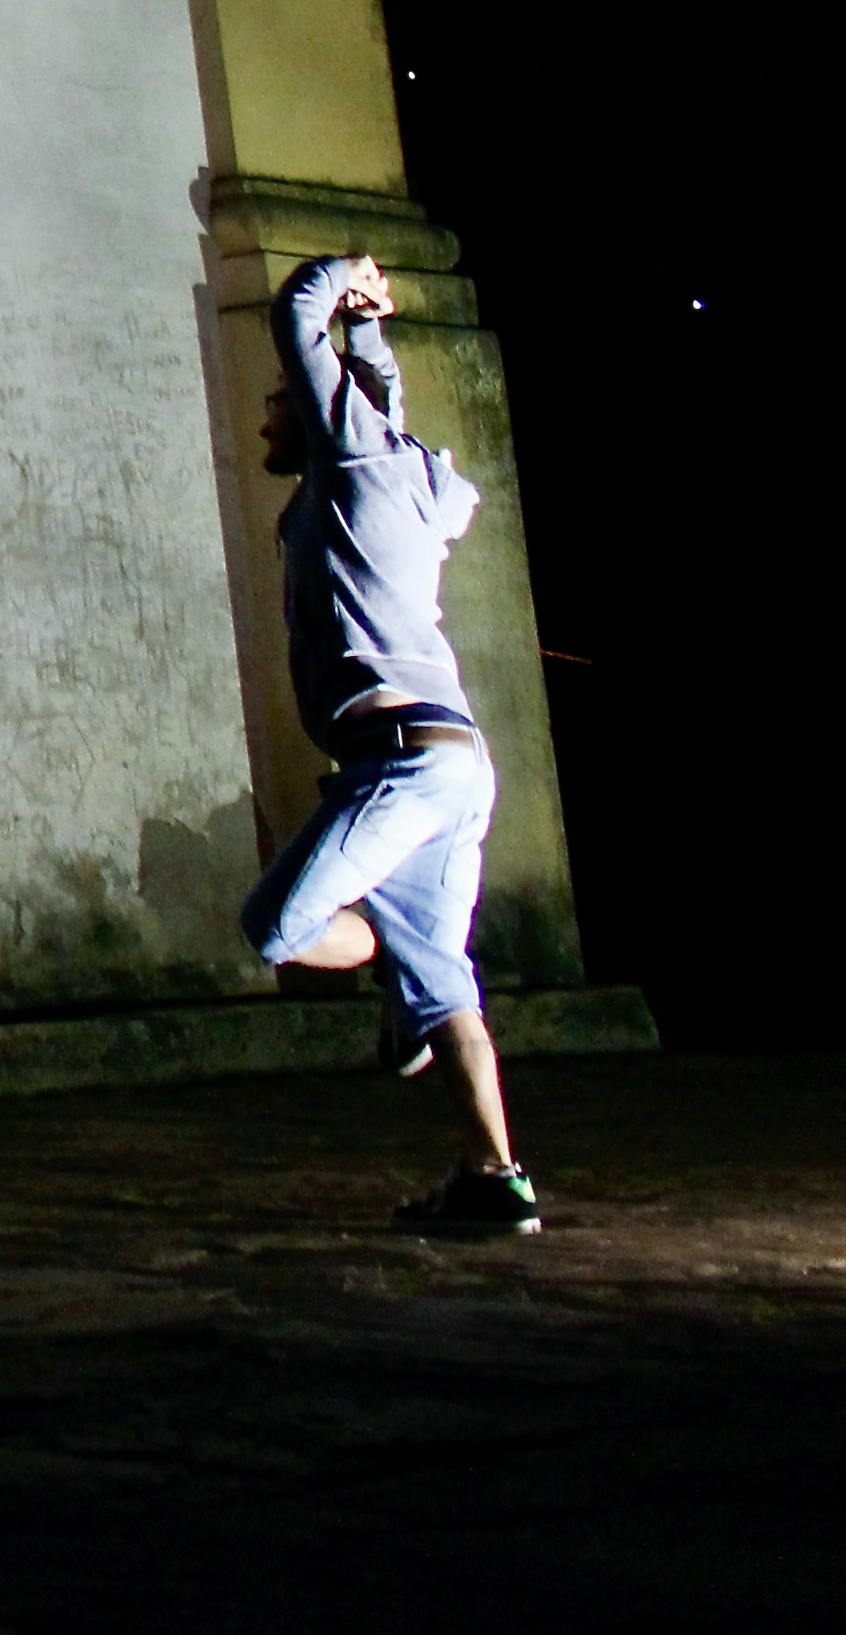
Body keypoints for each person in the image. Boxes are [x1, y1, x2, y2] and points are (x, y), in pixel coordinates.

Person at [243, 250, 536, 1236]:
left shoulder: (357, 461)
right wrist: (367, 327)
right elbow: (374, 391)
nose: (268, 417)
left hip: (400, 761)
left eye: (280, 402)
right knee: (445, 985)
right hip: (452, 762)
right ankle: (497, 1177)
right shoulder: (387, 473)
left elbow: (296, 311)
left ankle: (376, 956)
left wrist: (344, 278)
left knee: (276, 927)